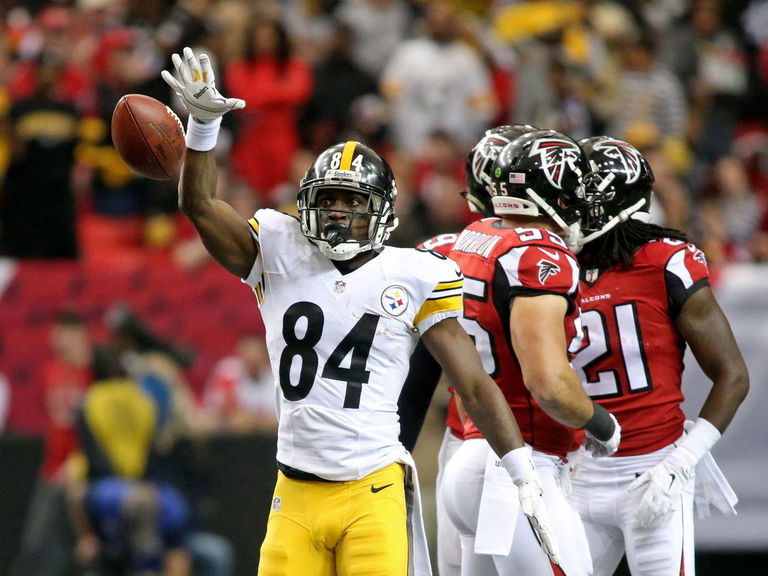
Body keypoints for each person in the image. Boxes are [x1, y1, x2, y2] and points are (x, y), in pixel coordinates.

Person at [162, 46, 559, 575]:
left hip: (372, 486)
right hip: (295, 492)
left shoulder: (418, 272)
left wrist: (520, 467)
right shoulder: (279, 249)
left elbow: (472, 381)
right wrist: (203, 129)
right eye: (329, 200)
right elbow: (200, 206)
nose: (338, 213)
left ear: (382, 212)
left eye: (353, 202)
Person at [440, 129, 622, 576]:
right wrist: (603, 424)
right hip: (521, 469)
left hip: (473, 458)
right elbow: (548, 385)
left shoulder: (475, 235)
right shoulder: (540, 256)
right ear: (555, 195)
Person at [567, 135, 750, 576]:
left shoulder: (664, 260)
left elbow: (733, 376)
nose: (563, 206)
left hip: (653, 471)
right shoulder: (550, 264)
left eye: (573, 196)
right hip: (573, 473)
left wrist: (679, 464)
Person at [398, 123, 539, 576]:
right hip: (533, 451)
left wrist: (396, 453)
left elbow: (416, 377)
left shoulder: (442, 253)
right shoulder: (546, 258)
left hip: (462, 445)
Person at [10, 311, 93, 576]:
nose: (61, 339)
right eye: (58, 332)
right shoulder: (50, 372)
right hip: (51, 469)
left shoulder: (92, 372)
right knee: (38, 542)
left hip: (82, 472)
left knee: (81, 544)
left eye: (67, 332)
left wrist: (77, 463)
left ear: (81, 335)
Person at [202, 332, 279, 436]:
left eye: (256, 352)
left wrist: (256, 419)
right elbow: (220, 410)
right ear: (240, 353)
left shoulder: (275, 374)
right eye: (248, 351)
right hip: (230, 433)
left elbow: (277, 414)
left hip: (269, 434)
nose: (252, 357)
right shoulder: (228, 372)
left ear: (265, 354)